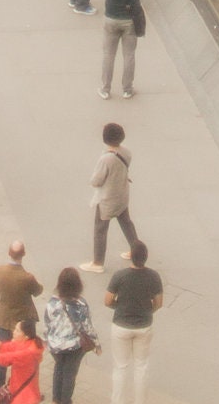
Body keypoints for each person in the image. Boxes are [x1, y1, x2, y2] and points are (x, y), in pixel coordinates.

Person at [101, 242, 161, 404]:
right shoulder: (153, 276)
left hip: (121, 325)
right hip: (144, 326)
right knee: (141, 367)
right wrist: (148, 311)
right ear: (146, 257)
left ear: (131, 258)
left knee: (120, 367)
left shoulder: (119, 276)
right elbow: (159, 303)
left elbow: (107, 301)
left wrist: (118, 306)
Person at [40, 271, 98, 404]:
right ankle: (65, 400)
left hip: (55, 345)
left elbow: (47, 324)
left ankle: (56, 399)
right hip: (74, 346)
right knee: (69, 374)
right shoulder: (81, 304)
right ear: (78, 285)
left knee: (59, 368)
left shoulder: (52, 303)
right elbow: (87, 327)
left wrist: (46, 341)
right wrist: (95, 343)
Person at [100, 0, 147, 100]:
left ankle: (105, 89)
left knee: (108, 55)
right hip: (129, 20)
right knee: (129, 55)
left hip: (111, 17)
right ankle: (127, 89)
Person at [90, 123, 139, 268]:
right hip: (122, 194)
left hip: (108, 198)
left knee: (100, 229)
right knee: (126, 222)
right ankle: (135, 250)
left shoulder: (106, 159)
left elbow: (96, 181)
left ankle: (98, 262)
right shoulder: (126, 152)